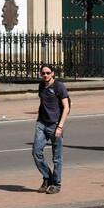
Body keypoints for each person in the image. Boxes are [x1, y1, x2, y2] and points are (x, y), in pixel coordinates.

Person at [33, 64, 69, 194]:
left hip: (55, 125)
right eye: (43, 73)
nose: (45, 75)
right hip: (42, 124)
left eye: (48, 73)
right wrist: (38, 119)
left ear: (52, 73)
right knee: (36, 152)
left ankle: (56, 185)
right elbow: (43, 104)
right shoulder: (41, 85)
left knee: (57, 157)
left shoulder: (59, 86)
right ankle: (47, 177)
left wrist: (60, 126)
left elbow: (66, 107)